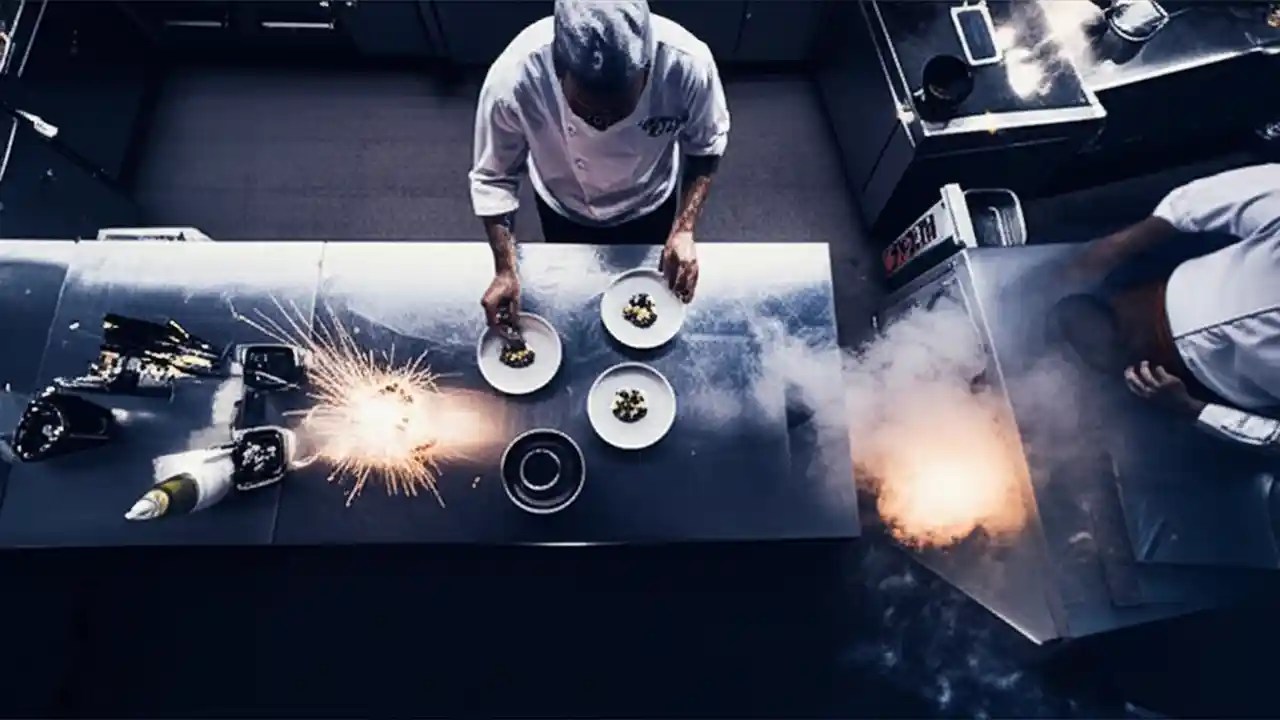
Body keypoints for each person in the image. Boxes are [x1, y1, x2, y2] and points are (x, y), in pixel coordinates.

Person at [469, 0, 730, 326]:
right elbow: (494, 177)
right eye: (587, 110)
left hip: (650, 201)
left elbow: (706, 145)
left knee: (647, 292)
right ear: (557, 70)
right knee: (577, 296)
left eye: (620, 109)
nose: (603, 123)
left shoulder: (688, 64)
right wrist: (505, 269)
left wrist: (684, 228)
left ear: (648, 70)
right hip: (564, 206)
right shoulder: (514, 78)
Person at [1071, 163, 1280, 452]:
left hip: (1200, 394)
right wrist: (1118, 246)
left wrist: (1195, 410)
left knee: (1086, 441)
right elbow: (1223, 196)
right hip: (1138, 298)